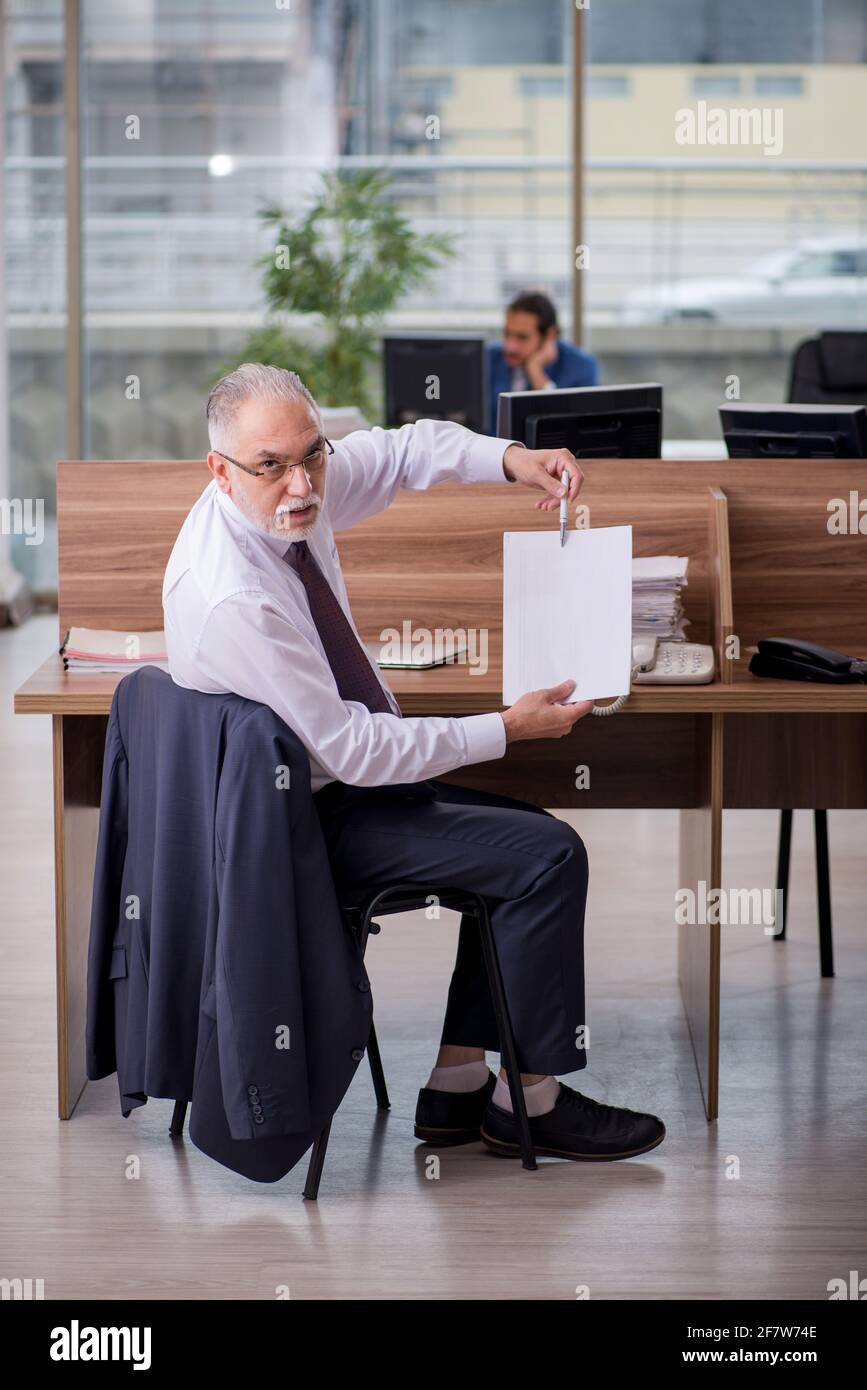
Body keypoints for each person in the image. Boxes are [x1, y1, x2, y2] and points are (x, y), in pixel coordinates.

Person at [163, 363, 664, 1163]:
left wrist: (511, 458)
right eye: (272, 466)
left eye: (313, 455)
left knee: (522, 838)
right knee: (546, 856)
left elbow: (403, 452)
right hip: (298, 831)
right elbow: (356, 752)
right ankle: (529, 1103)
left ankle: (459, 1086)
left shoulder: (284, 500)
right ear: (219, 471)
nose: (301, 485)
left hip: (321, 794)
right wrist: (505, 727)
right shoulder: (237, 598)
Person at [486, 289, 599, 435]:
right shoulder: (488, 358)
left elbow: (570, 431)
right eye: (507, 334)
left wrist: (536, 371)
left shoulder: (581, 367)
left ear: (550, 335)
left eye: (522, 337)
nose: (509, 347)